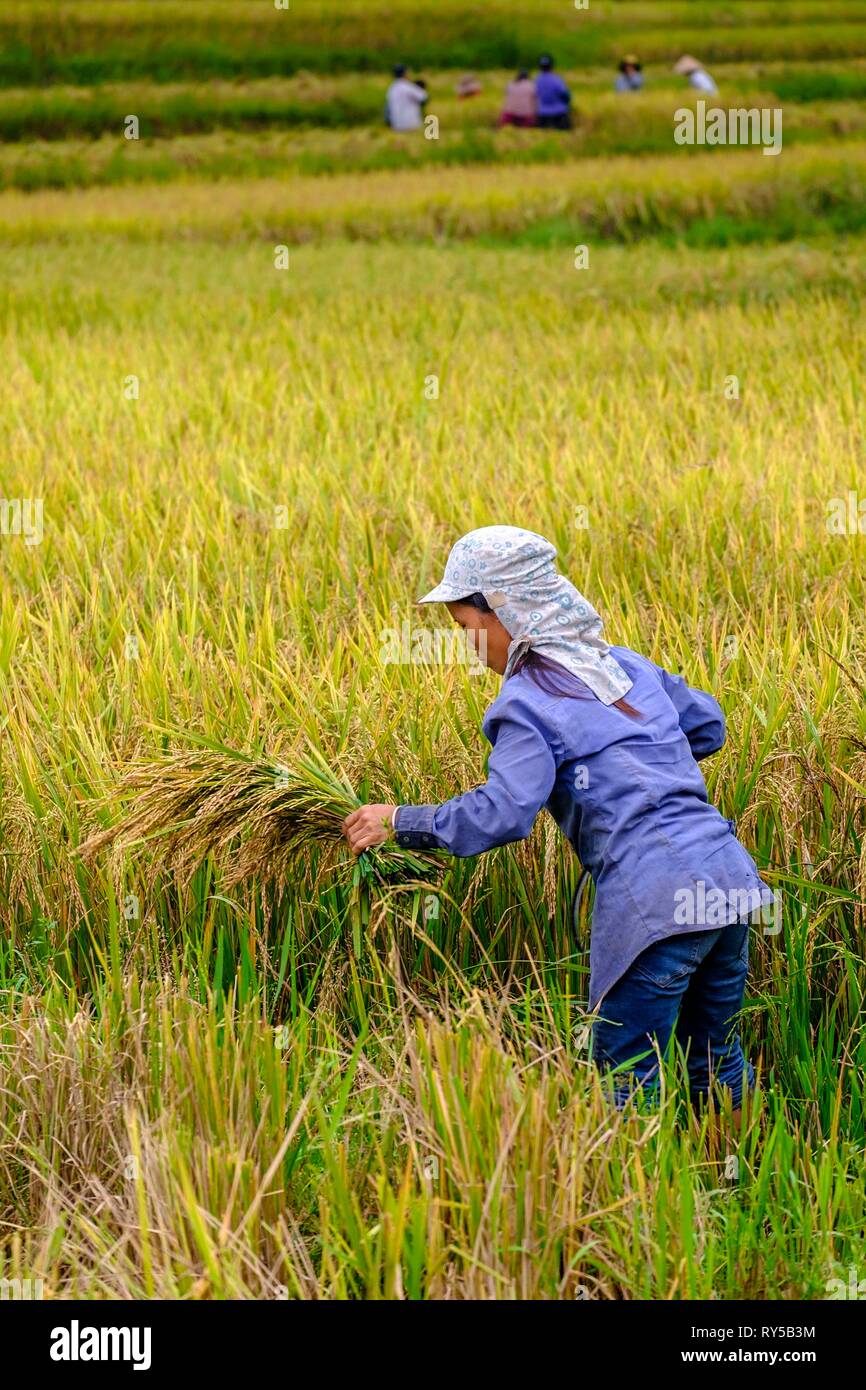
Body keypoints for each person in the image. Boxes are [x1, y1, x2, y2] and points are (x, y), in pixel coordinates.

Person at [343, 526, 775, 1120]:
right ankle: (740, 1183)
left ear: (504, 612)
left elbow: (504, 811)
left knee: (628, 1078)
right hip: (727, 885)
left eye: (467, 629)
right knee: (715, 1057)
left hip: (656, 902)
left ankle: (638, 1207)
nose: (470, 648)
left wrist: (399, 820)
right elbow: (707, 727)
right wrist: (642, 760)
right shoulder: (623, 666)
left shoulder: (525, 701)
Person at [385, 63, 429, 131]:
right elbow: (424, 98)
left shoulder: (391, 88)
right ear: (405, 73)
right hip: (411, 125)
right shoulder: (408, 87)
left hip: (396, 125)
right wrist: (420, 88)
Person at [534, 54, 572, 130]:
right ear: (552, 66)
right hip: (559, 114)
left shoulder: (537, 80)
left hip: (542, 114)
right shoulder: (556, 79)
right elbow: (566, 95)